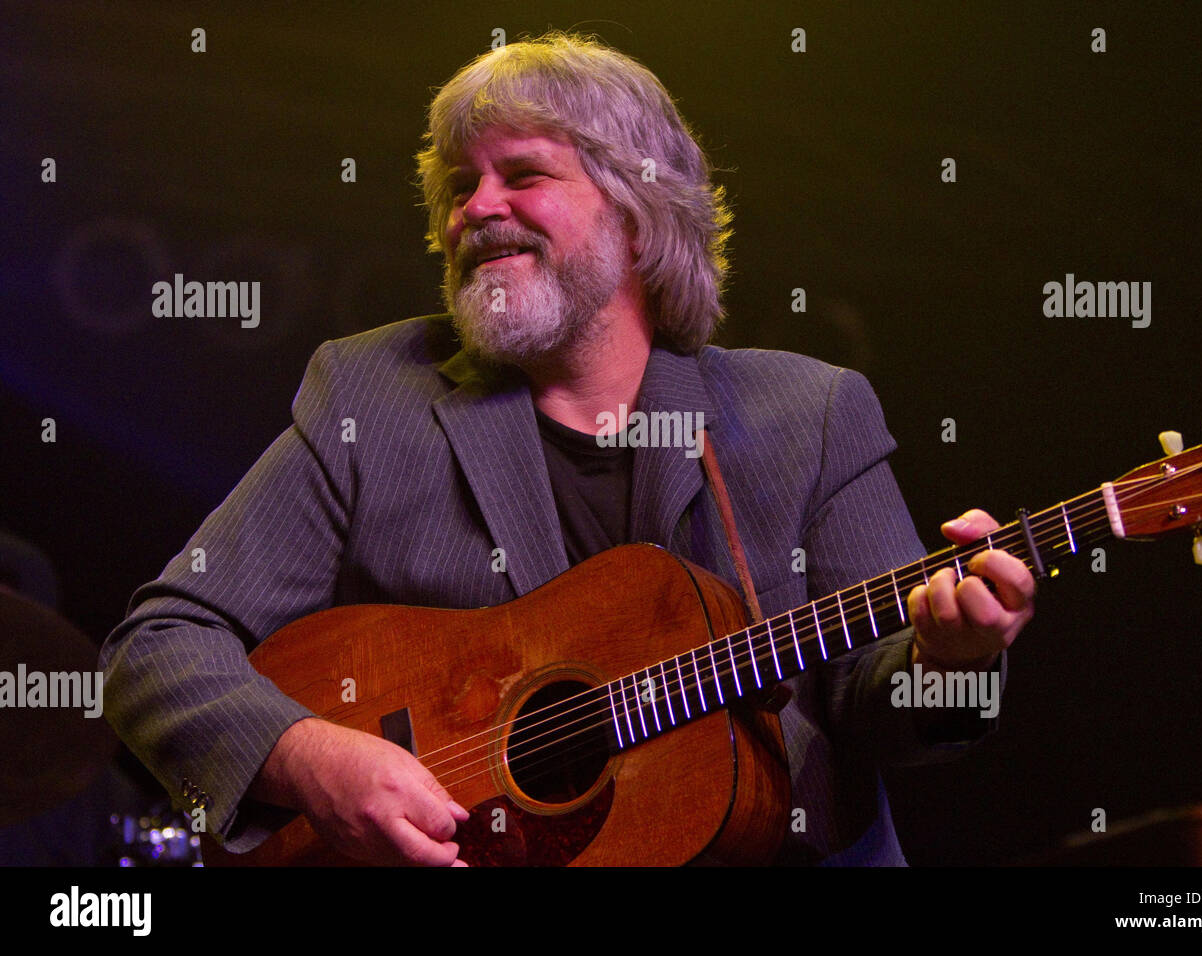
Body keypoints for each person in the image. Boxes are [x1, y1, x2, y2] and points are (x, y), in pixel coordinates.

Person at [100, 31, 1035, 866]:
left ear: (637, 212)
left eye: (524, 174)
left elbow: (884, 711)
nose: (478, 206)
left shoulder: (812, 411)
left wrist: (955, 659)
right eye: (460, 184)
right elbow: (157, 647)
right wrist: (310, 758)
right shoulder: (371, 394)